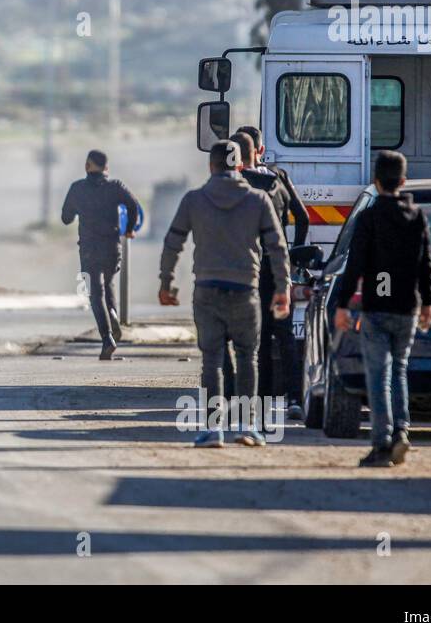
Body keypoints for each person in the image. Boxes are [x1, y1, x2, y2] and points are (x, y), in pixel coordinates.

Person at [159, 140, 290, 448]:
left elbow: (172, 242)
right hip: (246, 290)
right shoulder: (258, 200)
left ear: (211, 165)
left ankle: (212, 429)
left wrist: (166, 283)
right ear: (240, 165)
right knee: (248, 357)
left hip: (207, 290)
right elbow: (277, 246)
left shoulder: (194, 200)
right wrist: (283, 287)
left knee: (212, 360)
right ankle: (246, 426)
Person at [335, 150, 431, 468]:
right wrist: (429, 301)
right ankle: (402, 431)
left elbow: (356, 265)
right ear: (403, 182)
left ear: (376, 182)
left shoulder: (369, 217)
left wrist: (342, 304)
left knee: (379, 376)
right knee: (400, 369)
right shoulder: (417, 216)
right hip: (407, 306)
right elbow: (426, 263)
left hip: (377, 307)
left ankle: (381, 444)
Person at [238, 124, 309, 413]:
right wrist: (294, 258)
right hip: (277, 266)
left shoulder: (236, 182)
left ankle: (262, 400)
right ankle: (294, 398)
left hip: (247, 268)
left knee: (258, 338)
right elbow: (302, 218)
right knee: (284, 334)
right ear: (261, 151)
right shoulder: (279, 178)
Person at [61, 150, 142, 360]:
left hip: (89, 249)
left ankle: (107, 339)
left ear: (87, 166)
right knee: (108, 284)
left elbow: (65, 218)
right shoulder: (116, 187)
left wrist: (76, 210)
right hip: (112, 247)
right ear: (106, 168)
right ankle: (113, 313)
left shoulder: (77, 188)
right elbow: (133, 205)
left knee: (95, 295)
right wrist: (129, 229)